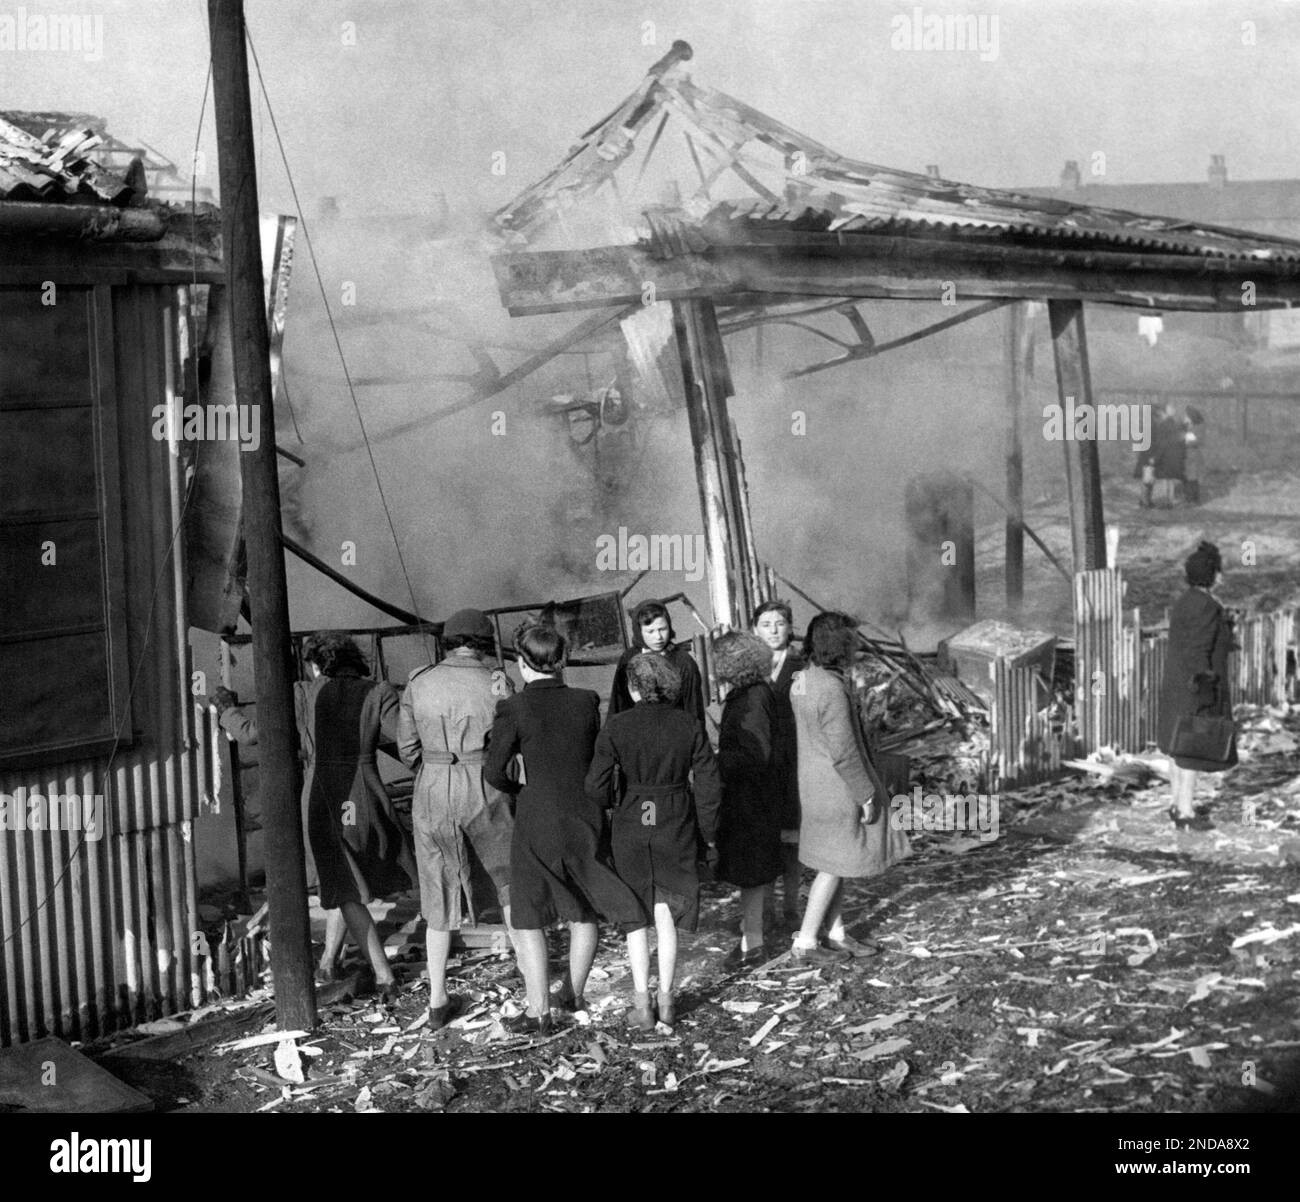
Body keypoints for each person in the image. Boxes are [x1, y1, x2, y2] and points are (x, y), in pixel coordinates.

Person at [484, 624, 646, 1034]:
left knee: (529, 914)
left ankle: (539, 1012)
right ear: (561, 660)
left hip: (537, 814)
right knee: (582, 907)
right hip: (585, 812)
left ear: (521, 663)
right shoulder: (586, 701)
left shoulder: (514, 707)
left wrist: (519, 788)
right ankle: (572, 993)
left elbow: (493, 770)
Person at [585, 652, 721, 1030]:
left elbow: (594, 787)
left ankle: (642, 1006)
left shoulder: (616, 727)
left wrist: (617, 800)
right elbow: (709, 786)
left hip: (633, 820)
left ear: (632, 688)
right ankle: (667, 1002)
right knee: (667, 913)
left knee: (635, 916)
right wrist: (707, 833)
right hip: (675, 819)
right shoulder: (689, 725)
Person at [398, 608, 518, 1029]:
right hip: (484, 782)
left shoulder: (418, 680)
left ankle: (436, 1000)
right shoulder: (498, 682)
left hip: (431, 786)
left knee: (436, 891)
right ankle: (528, 974)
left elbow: (406, 748)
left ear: (447, 642)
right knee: (507, 881)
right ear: (483, 643)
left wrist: (434, 769)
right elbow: (512, 744)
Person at [297, 634, 418, 1004]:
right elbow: (403, 736)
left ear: (317, 665)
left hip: (324, 797)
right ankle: (328, 963)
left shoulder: (305, 692)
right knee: (343, 881)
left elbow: (257, 733)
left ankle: (385, 978)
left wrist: (226, 711)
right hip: (367, 794)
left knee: (343, 886)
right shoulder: (379, 691)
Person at [789, 612, 911, 963]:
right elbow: (844, 752)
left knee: (836, 860)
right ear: (841, 647)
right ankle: (806, 943)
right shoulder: (832, 689)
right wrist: (866, 794)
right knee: (832, 868)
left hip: (812, 784)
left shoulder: (802, 679)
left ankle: (837, 932)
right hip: (838, 787)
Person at [712, 631, 784, 969]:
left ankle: (752, 943)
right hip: (758, 797)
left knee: (751, 873)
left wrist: (715, 760)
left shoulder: (751, 699)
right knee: (755, 873)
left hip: (750, 799)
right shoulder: (757, 693)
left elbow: (757, 753)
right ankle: (753, 934)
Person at [1157, 542, 1238, 831]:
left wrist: (1227, 627)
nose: (1222, 577)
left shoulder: (1185, 601)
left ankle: (1176, 804)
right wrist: (1204, 686)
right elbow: (1199, 648)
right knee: (1191, 748)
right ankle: (1187, 813)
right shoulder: (1207, 606)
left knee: (1177, 747)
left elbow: (1197, 640)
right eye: (1219, 571)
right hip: (1196, 685)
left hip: (1179, 683)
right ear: (1210, 574)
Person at [752, 599, 805, 929]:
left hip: (793, 760)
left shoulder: (800, 666)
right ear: (755, 630)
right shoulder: (751, 666)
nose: (773, 630)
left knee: (793, 837)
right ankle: (767, 907)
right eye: (766, 625)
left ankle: (792, 904)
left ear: (789, 627)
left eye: (780, 623)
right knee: (766, 837)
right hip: (760, 764)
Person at [608, 599, 707, 727]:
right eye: (650, 631)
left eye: (662, 629)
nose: (658, 637)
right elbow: (618, 703)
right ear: (639, 631)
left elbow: (693, 710)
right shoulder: (628, 658)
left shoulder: (684, 662)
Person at [1182, 408, 1206, 505]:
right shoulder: (1186, 427)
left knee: (1192, 479)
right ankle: (1190, 499)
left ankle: (1192, 500)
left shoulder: (1198, 427)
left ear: (1191, 418)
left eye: (1186, 416)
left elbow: (1198, 441)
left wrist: (1186, 441)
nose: (1184, 417)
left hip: (1193, 456)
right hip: (1186, 456)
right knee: (1188, 478)